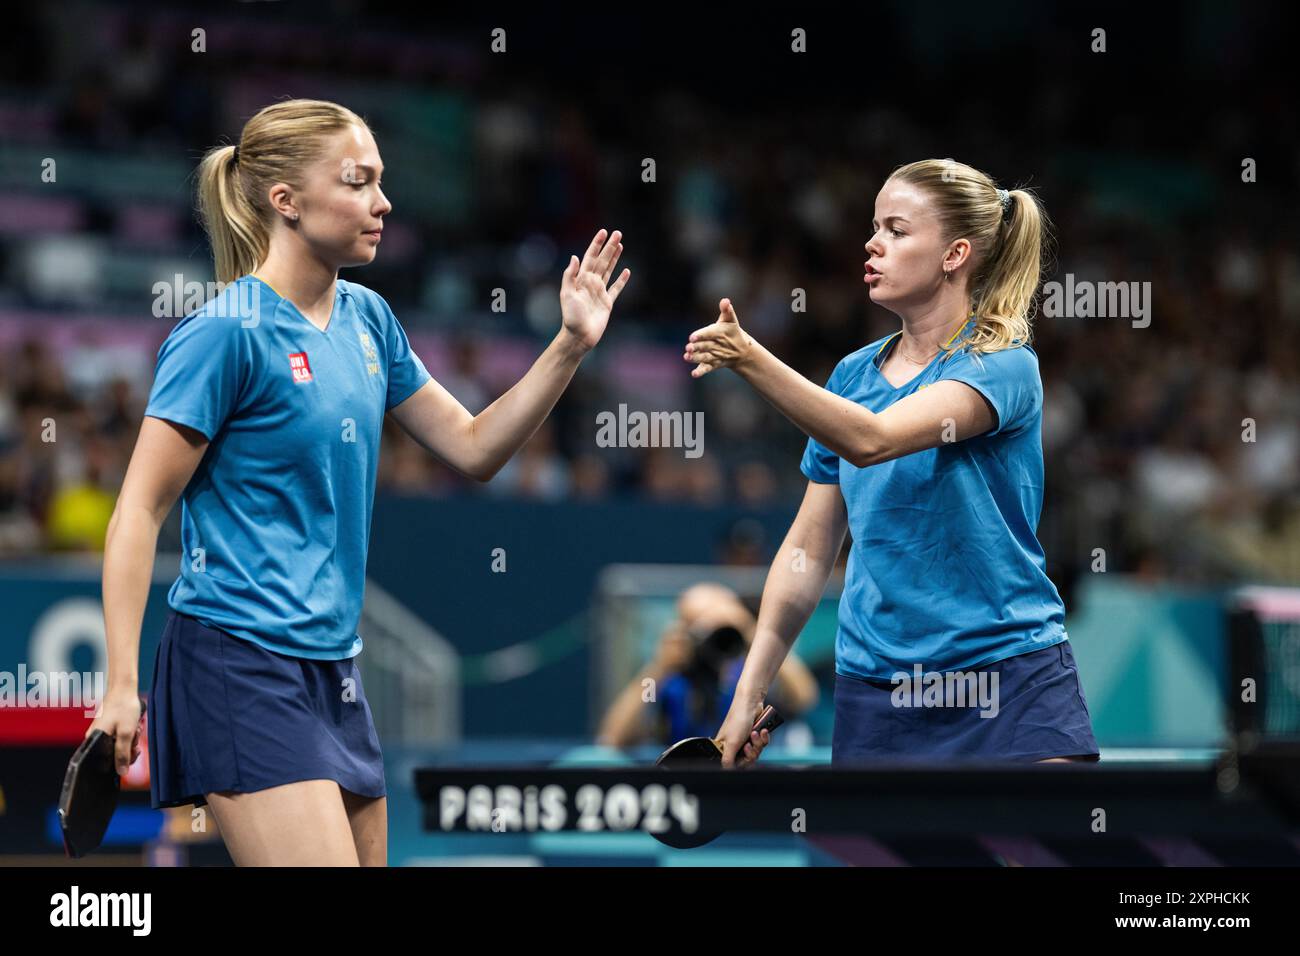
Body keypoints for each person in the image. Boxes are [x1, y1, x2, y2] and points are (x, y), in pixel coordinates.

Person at [88, 99, 631, 865]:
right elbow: (138, 511)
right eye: (358, 181)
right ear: (287, 201)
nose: (383, 203)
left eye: (382, 181)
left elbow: (475, 448)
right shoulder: (222, 334)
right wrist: (118, 685)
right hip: (238, 661)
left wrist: (570, 346)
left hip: (335, 671)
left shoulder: (370, 321)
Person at [682, 159, 1100, 768]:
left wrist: (750, 357)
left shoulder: (1003, 365)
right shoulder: (851, 376)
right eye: (875, 227)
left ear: (955, 254)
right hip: (880, 695)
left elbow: (873, 439)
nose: (873, 243)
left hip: (1010, 679)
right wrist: (749, 690)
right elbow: (809, 549)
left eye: (898, 230)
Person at [596, 582, 818, 748]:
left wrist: (754, 635)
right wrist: (659, 667)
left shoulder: (753, 670)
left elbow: (804, 698)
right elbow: (613, 738)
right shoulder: (672, 676)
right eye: (700, 625)